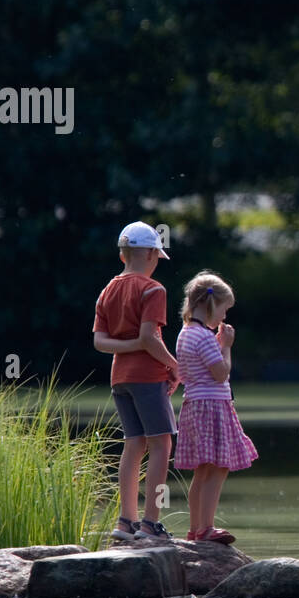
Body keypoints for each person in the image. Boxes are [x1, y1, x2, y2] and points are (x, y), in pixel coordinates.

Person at [92, 221, 180, 542]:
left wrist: (129, 347)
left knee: (133, 445)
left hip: (120, 379)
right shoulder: (153, 289)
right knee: (161, 445)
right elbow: (149, 338)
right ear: (147, 254)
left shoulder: (108, 289)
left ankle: (124, 522)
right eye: (156, 255)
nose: (157, 261)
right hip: (147, 376)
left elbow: (100, 342)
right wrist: (174, 365)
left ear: (122, 255)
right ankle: (150, 524)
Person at [173, 271, 257, 544]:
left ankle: (196, 528)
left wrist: (218, 345)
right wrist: (227, 347)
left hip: (194, 405)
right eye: (224, 309)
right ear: (210, 304)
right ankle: (207, 528)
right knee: (218, 467)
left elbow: (195, 371)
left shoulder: (185, 334)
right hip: (212, 406)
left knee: (203, 469)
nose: (224, 316)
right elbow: (221, 374)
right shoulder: (205, 337)